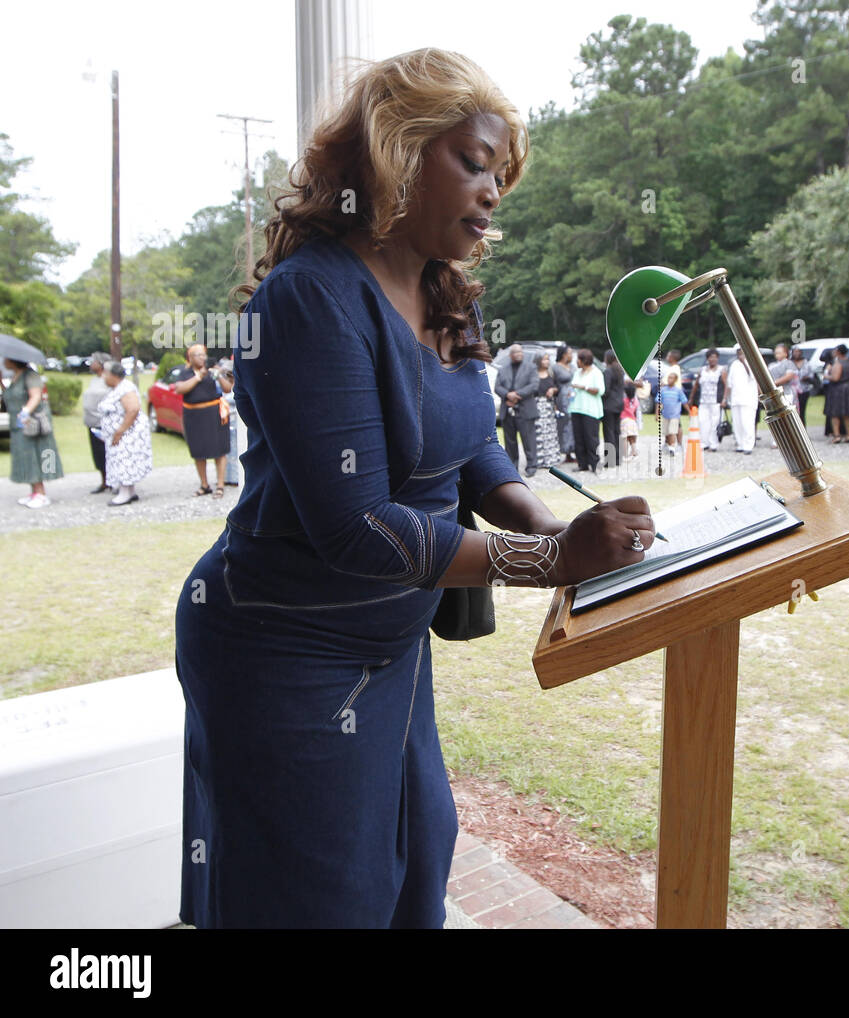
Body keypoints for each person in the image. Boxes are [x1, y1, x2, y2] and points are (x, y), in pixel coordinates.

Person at [173, 48, 658, 930]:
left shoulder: (444, 294)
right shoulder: (308, 299)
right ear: (398, 150)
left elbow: (470, 453)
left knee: (415, 865)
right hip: (287, 654)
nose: (493, 191)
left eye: (500, 173)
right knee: (320, 901)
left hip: (391, 654)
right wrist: (548, 558)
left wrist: (559, 528)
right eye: (474, 163)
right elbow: (359, 529)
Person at [3, 356, 63, 508]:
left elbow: (35, 396)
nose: (3, 362)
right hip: (18, 425)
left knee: (34, 455)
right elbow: (11, 397)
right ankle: (34, 492)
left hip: (31, 423)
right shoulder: (14, 377)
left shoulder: (30, 375)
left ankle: (41, 493)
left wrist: (25, 412)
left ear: (13, 360)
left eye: (6, 359)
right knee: (25, 456)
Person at [174, 342, 229, 497]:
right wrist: (199, 376)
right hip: (194, 415)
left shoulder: (213, 370)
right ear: (190, 358)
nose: (202, 358)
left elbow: (227, 388)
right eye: (198, 355)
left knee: (220, 449)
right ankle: (204, 484)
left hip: (214, 413)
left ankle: (220, 485)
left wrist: (217, 373)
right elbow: (179, 389)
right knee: (198, 451)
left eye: (204, 354)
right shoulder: (185, 372)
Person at [97, 360, 152, 505]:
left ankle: (125, 493)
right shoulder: (116, 388)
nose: (103, 377)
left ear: (113, 375)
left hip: (127, 434)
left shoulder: (126, 388)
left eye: (106, 374)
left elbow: (133, 409)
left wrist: (120, 431)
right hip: (120, 434)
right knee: (120, 460)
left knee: (125, 461)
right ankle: (129, 491)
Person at [494, 343, 540, 476]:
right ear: (510, 355)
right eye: (515, 352)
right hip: (508, 410)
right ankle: (512, 467)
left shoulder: (530, 367)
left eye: (520, 352)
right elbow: (497, 387)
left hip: (525, 409)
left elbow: (534, 385)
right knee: (510, 441)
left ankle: (531, 466)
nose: (519, 354)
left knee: (528, 440)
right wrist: (507, 395)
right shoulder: (503, 369)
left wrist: (517, 395)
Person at [569, 348, 605, 472]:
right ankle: (582, 464)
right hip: (576, 408)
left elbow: (600, 390)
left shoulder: (596, 372)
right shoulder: (577, 373)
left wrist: (583, 387)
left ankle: (594, 464)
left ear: (584, 360)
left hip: (590, 410)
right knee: (578, 438)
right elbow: (573, 386)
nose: (576, 362)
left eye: (578, 359)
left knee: (591, 438)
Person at [83, 351, 111, 493]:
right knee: (97, 454)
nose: (91, 364)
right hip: (92, 422)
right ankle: (104, 481)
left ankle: (113, 481)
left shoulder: (108, 380)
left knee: (106, 452)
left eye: (93, 361)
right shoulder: (94, 380)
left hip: (104, 423)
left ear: (101, 364)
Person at [690, 348, 727, 451]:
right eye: (711, 357)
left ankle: (713, 444)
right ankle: (704, 443)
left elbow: (726, 385)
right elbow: (696, 385)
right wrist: (691, 398)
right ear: (707, 359)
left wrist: (724, 399)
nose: (712, 359)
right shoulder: (702, 370)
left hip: (716, 402)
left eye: (715, 357)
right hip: (704, 401)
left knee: (714, 424)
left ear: (718, 358)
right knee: (703, 422)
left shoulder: (721, 370)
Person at [726, 344, 758, 454]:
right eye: (738, 352)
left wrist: (744, 361)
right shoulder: (734, 364)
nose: (740, 353)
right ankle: (740, 444)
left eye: (741, 351)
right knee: (737, 423)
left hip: (748, 399)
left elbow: (752, 376)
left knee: (747, 423)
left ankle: (748, 446)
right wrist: (727, 398)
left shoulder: (752, 362)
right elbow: (729, 383)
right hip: (736, 399)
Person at [534, 352, 562, 469]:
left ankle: (551, 460)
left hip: (549, 407)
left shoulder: (551, 373)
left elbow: (558, 388)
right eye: (544, 359)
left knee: (550, 434)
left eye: (548, 359)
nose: (547, 362)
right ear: (538, 361)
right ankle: (539, 460)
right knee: (538, 434)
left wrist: (553, 390)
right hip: (536, 406)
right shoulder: (533, 374)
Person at [824, 344, 849, 443]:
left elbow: (835, 378)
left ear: (838, 352)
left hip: (838, 390)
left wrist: (826, 376)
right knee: (847, 413)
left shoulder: (838, 364)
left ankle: (837, 435)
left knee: (835, 414)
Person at [768, 343, 799, 448]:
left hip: (786, 392)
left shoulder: (789, 364)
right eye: (776, 352)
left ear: (785, 353)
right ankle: (776, 440)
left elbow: (789, 376)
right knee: (775, 416)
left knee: (786, 416)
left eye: (779, 352)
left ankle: (791, 439)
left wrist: (774, 383)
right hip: (773, 394)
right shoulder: (772, 365)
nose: (777, 354)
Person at [217, 367, 240, 486]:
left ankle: (236, 477)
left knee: (237, 450)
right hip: (226, 420)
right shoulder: (224, 388)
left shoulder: (237, 388)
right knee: (228, 451)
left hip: (236, 422)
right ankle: (227, 477)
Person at [601, 350, 624, 467]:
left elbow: (605, 390)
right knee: (616, 431)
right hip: (619, 404)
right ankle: (618, 458)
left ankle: (610, 460)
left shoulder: (608, 371)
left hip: (609, 405)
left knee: (608, 432)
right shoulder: (620, 370)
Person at [552, 345, 575, 461]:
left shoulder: (572, 366)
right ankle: (564, 450)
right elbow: (553, 385)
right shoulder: (555, 368)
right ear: (563, 354)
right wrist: (554, 403)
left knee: (573, 425)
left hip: (574, 398)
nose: (572, 355)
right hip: (562, 399)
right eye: (570, 353)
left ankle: (572, 450)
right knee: (564, 425)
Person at [657, 368, 686, 455]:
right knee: (666, 431)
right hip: (666, 413)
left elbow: (684, 401)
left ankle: (674, 447)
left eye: (671, 378)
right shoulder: (663, 390)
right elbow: (658, 401)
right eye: (668, 378)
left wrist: (689, 411)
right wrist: (657, 413)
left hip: (675, 412)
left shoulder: (676, 368)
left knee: (673, 430)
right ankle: (667, 444)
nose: (669, 379)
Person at [792, 347, 814, 423]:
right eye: (795, 352)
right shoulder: (789, 363)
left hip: (804, 390)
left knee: (802, 411)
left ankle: (802, 430)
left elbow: (812, 376)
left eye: (798, 352)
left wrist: (807, 378)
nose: (796, 353)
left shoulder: (806, 362)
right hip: (792, 391)